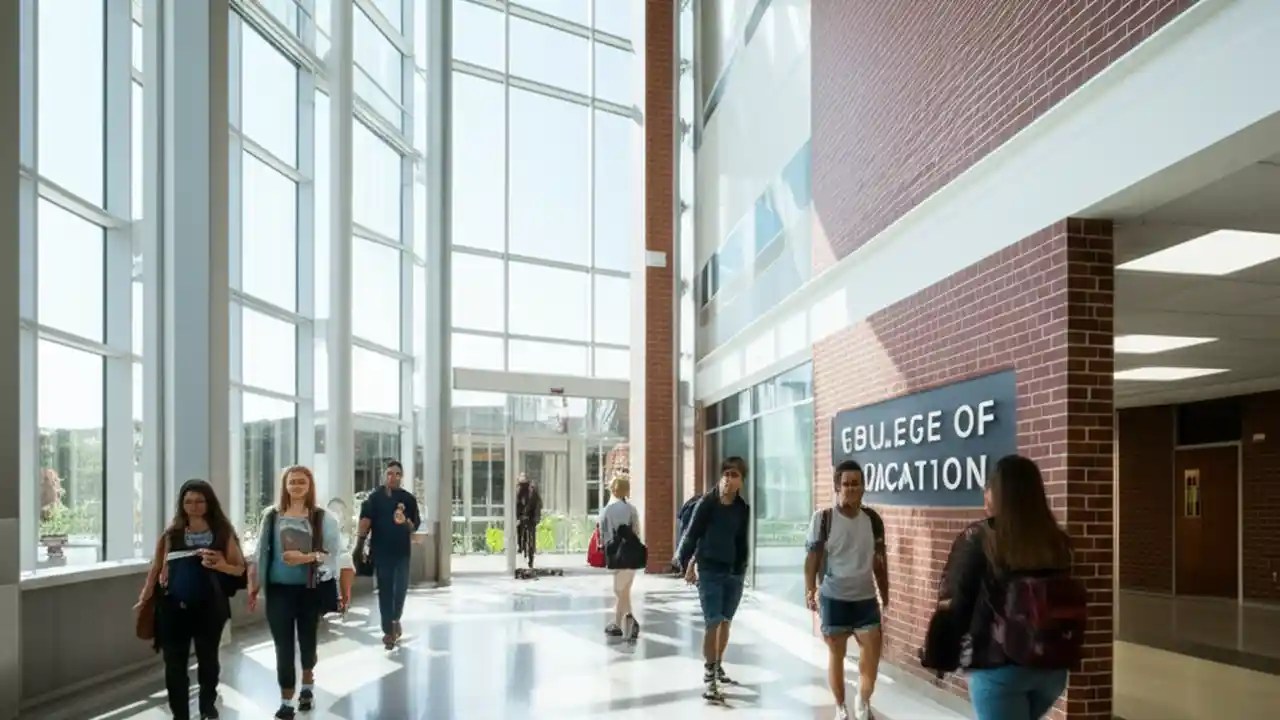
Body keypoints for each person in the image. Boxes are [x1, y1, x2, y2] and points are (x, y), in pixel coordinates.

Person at [939, 454, 1078, 720]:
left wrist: (942, 652)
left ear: (998, 493)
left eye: (989, 487)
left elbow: (957, 602)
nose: (985, 494)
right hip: (1053, 665)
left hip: (998, 667)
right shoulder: (1057, 541)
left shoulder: (981, 537)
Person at [136, 479, 246, 720]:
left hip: (210, 609)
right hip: (173, 608)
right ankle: (180, 715)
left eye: (198, 501)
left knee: (208, 660)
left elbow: (239, 568)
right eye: (188, 502)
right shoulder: (171, 534)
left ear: (208, 503)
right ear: (181, 504)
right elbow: (156, 569)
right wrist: (145, 597)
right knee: (174, 664)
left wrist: (222, 564)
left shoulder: (221, 532)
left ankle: (207, 704)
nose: (193, 506)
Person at [248, 466, 343, 720]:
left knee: (307, 640)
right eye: (292, 482)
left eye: (302, 481)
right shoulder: (271, 516)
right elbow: (260, 552)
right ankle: (286, 700)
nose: (297, 486)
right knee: (283, 646)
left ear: (310, 485)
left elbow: (335, 554)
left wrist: (307, 557)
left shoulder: (323, 518)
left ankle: (308, 683)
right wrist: (254, 585)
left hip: (310, 590)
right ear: (285, 485)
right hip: (278, 590)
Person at [805, 459, 889, 720]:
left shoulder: (873, 520)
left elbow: (879, 560)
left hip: (865, 598)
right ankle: (841, 707)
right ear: (837, 487)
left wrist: (885, 593)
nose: (851, 489)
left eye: (856, 484)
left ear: (863, 488)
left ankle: (863, 702)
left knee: (872, 652)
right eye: (846, 484)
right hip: (834, 598)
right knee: (837, 655)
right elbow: (812, 559)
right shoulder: (824, 519)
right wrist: (810, 590)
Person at [676, 456, 751, 700]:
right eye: (726, 474)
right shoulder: (707, 503)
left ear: (741, 481)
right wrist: (682, 560)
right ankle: (709, 677)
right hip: (709, 571)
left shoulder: (742, 509)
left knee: (726, 620)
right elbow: (692, 534)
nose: (729, 479)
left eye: (734, 475)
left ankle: (718, 665)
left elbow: (741, 540)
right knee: (713, 622)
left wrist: (742, 568)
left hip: (733, 572)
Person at [359, 460, 420, 648]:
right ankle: (388, 630)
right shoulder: (374, 497)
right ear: (384, 475)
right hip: (381, 552)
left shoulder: (408, 499)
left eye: (397, 474)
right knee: (385, 590)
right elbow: (365, 521)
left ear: (402, 477)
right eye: (390, 473)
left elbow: (414, 526)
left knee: (399, 589)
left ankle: (395, 619)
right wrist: (359, 546)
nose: (393, 477)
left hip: (402, 552)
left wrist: (405, 522)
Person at [598, 474, 642, 640]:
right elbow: (637, 531)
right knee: (624, 590)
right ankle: (625, 620)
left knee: (620, 589)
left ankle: (622, 622)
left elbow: (603, 534)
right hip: (632, 551)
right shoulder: (632, 509)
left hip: (615, 552)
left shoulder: (607, 510)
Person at [515, 473, 542, 571]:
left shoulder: (532, 490)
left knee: (530, 538)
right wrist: (517, 517)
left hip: (530, 518)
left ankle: (530, 558)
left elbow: (538, 504)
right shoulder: (518, 491)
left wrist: (536, 517)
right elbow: (516, 504)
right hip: (521, 517)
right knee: (521, 537)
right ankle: (522, 549)